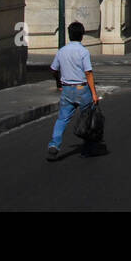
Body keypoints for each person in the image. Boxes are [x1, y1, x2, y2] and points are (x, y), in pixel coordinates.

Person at [47, 21, 99, 160]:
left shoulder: (62, 51)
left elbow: (53, 69)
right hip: (82, 88)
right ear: (82, 36)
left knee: (62, 119)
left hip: (67, 89)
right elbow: (88, 73)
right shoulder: (83, 52)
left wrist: (58, 81)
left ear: (69, 35)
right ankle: (87, 148)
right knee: (86, 118)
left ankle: (54, 145)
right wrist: (94, 93)